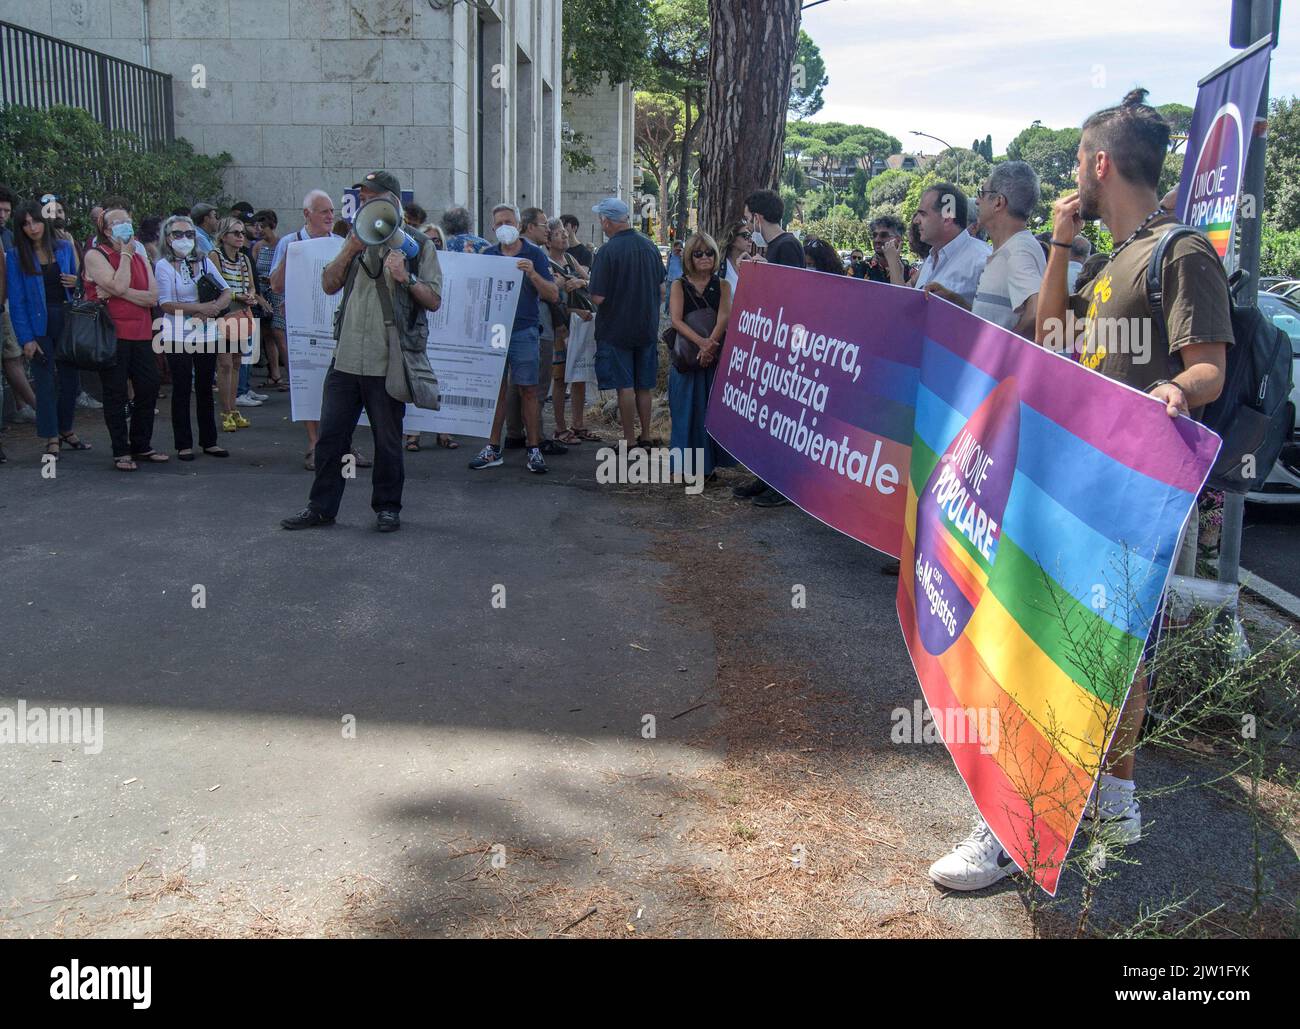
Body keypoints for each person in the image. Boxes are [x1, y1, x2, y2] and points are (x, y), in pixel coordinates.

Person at [929, 89, 1232, 893]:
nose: (1072, 179)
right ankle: (1097, 801)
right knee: (1087, 649)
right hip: (1075, 486)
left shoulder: (1181, 251)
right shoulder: (1110, 253)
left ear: (1100, 165)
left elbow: (1209, 366)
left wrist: (1178, 390)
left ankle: (1031, 819)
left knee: (1092, 654)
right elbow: (1050, 338)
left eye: (1076, 165)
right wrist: (1061, 242)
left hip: (1134, 495)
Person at [281, 171, 442, 533]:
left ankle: (387, 507)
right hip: (347, 358)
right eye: (363, 197)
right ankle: (321, 506)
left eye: (372, 197)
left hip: (389, 361)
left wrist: (407, 278)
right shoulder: (356, 239)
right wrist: (350, 248)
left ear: (393, 201)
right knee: (331, 438)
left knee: (387, 441)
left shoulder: (418, 245)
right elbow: (328, 284)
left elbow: (433, 299)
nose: (364, 203)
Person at [466, 203, 559, 474]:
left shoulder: (535, 255)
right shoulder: (489, 254)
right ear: (493, 228)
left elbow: (553, 294)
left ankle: (533, 447)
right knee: (497, 390)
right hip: (494, 332)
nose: (504, 227)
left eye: (508, 221)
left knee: (528, 388)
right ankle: (493, 447)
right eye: (498, 223)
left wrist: (531, 273)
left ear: (518, 225)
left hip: (524, 329)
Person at [731, 189, 804, 508]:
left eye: (749, 218)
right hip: (771, 342)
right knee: (768, 418)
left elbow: (793, 294)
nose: (749, 225)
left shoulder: (787, 246)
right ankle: (766, 478)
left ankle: (783, 486)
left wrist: (765, 271)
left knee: (781, 417)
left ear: (758, 217)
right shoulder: (773, 247)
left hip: (785, 344)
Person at [923, 161, 1045, 338]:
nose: (978, 201)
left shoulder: (1018, 250)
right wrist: (955, 301)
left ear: (998, 202)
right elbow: (996, 322)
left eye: (982, 192)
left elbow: (1037, 313)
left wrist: (998, 356)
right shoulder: (1010, 248)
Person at [83, 206, 163, 471]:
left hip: (141, 332)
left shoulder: (141, 255)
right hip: (112, 334)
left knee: (149, 386)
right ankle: (121, 450)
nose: (125, 226)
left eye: (128, 221)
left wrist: (117, 292)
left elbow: (152, 297)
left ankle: (141, 444)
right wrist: (125, 258)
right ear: (106, 230)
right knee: (115, 393)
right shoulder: (96, 255)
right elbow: (116, 284)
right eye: (118, 223)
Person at [5, 201, 85, 459]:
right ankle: (51, 436)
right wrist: (26, 338)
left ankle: (65, 428)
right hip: (37, 323)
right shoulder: (17, 256)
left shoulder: (63, 247)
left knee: (71, 380)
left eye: (36, 221)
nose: (32, 227)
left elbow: (82, 284)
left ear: (45, 222)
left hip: (66, 317)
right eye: (26, 223)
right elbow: (16, 301)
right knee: (45, 380)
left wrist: (77, 281)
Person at [586, 197, 665, 451]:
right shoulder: (650, 246)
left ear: (607, 221)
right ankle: (646, 435)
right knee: (645, 386)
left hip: (617, 329)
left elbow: (598, 296)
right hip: (646, 326)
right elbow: (662, 289)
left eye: (602, 219)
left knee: (625, 387)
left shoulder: (607, 252)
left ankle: (629, 440)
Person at [155, 215, 232, 460]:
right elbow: (165, 303)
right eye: (178, 234)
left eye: (189, 234)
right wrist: (200, 308)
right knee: (181, 387)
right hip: (177, 333)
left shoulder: (203, 262)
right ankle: (183, 444)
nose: (184, 239)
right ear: (167, 238)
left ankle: (209, 441)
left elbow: (227, 291)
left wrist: (215, 307)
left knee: (205, 386)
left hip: (205, 331)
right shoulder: (163, 266)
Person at [270, 189, 337, 470]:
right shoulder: (289, 241)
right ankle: (313, 443)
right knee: (308, 385)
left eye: (332, 211)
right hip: (303, 329)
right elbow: (275, 285)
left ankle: (340, 443)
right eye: (324, 211)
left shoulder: (340, 243)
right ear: (307, 214)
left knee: (338, 389)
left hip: (333, 326)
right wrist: (290, 255)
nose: (330, 216)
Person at [668, 231, 735, 481]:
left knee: (709, 412)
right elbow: (675, 320)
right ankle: (682, 467)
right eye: (698, 253)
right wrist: (702, 344)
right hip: (687, 358)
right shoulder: (679, 284)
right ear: (689, 257)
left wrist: (711, 346)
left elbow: (724, 316)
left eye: (709, 252)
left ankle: (706, 467)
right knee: (685, 412)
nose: (705, 257)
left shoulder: (723, 285)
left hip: (712, 359)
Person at [504, 207, 567, 455]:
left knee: (515, 383)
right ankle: (536, 437)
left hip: (520, 325)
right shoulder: (533, 254)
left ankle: (514, 432)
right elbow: (548, 293)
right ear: (529, 227)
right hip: (536, 326)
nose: (548, 230)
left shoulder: (514, 251)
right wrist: (558, 284)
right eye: (543, 225)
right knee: (536, 384)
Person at [211, 216, 272, 426]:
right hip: (223, 314)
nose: (240, 237)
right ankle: (226, 411)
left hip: (242, 313)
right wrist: (239, 296)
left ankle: (234, 409)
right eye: (235, 233)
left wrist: (251, 295)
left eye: (241, 233)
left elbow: (251, 285)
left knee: (236, 362)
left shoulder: (244, 258)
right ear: (223, 236)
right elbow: (217, 285)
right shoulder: (214, 256)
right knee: (225, 363)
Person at [544, 217, 597, 446]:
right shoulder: (545, 262)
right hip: (560, 328)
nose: (564, 237)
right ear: (548, 239)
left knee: (579, 374)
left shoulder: (570, 257)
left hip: (579, 324)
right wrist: (574, 308)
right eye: (559, 234)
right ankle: (560, 427)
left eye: (565, 234)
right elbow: (552, 299)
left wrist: (580, 283)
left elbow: (591, 281)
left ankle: (578, 424)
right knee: (560, 378)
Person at [913, 182, 989, 305]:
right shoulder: (931, 259)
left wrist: (958, 304)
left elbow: (994, 321)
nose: (916, 220)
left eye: (923, 214)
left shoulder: (983, 261)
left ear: (947, 218)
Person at [250, 209, 287, 390]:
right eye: (257, 227)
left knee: (279, 332)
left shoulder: (283, 244)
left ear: (272, 225)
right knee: (267, 334)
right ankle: (274, 374)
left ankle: (291, 375)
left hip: (279, 290)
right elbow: (254, 271)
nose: (260, 231)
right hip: (263, 290)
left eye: (263, 227)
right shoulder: (258, 247)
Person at [865, 216, 912, 285]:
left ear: (898, 240)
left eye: (883, 235)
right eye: (874, 235)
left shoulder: (910, 273)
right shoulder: (859, 268)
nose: (877, 240)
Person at [718, 220, 752, 296]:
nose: (751, 240)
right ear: (732, 239)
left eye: (750, 236)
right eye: (746, 236)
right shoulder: (720, 269)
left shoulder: (752, 267)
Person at [664, 239, 684, 313]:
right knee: (668, 296)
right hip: (670, 278)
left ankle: (676, 311)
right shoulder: (670, 254)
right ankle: (666, 311)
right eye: (676, 247)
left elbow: (683, 266)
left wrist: (681, 256)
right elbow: (668, 265)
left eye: (679, 248)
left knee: (678, 297)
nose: (677, 249)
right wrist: (665, 275)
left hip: (679, 279)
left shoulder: (682, 256)